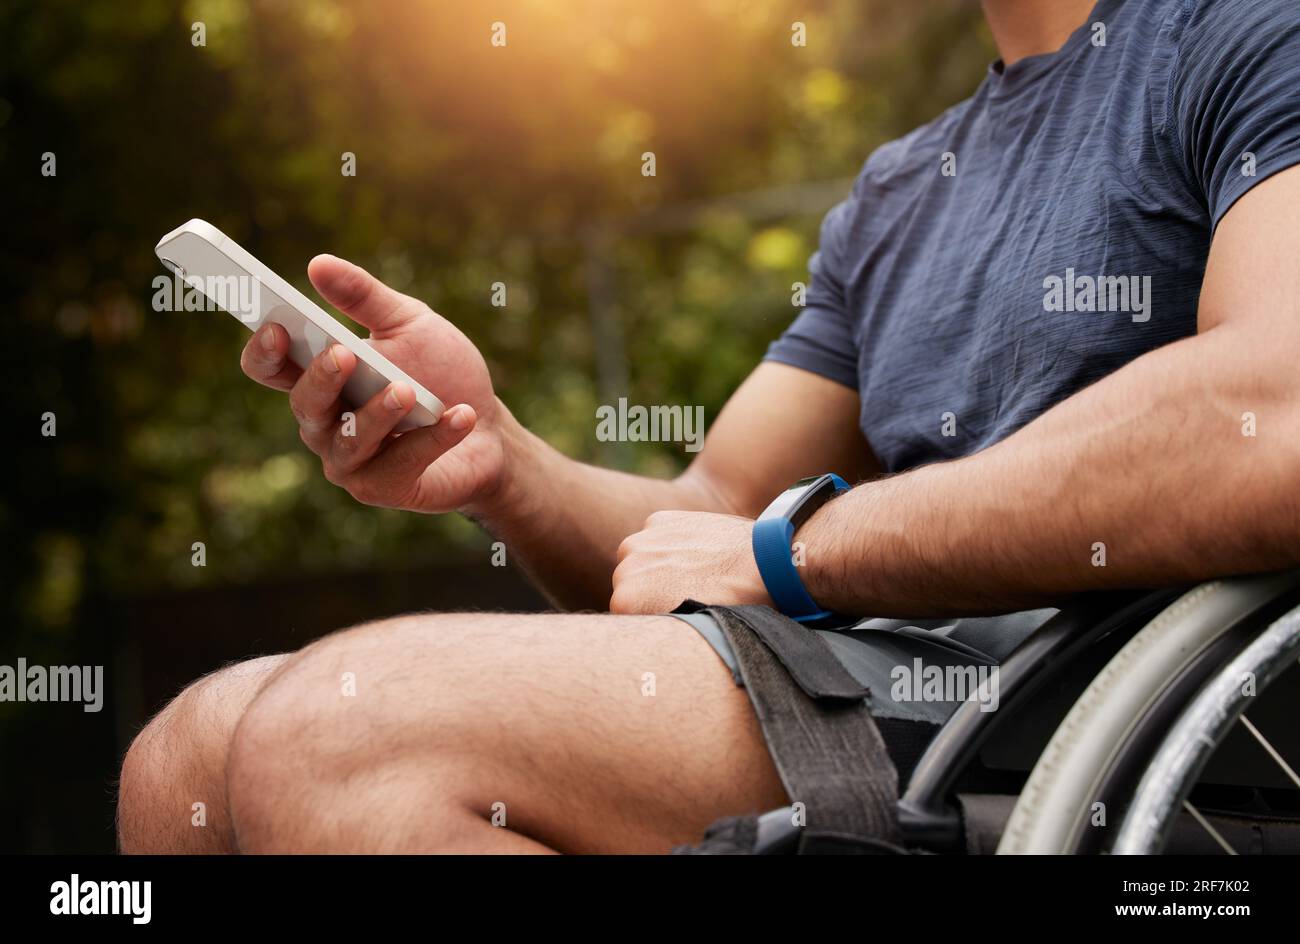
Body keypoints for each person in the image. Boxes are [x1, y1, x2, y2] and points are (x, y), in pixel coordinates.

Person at [118, 0, 1300, 853]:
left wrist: (797, 551)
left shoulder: (1247, 35)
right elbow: (709, 521)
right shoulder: (899, 189)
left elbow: (1271, 411)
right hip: (881, 689)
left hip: (1088, 720)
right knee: (186, 759)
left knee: (339, 730)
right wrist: (498, 458)